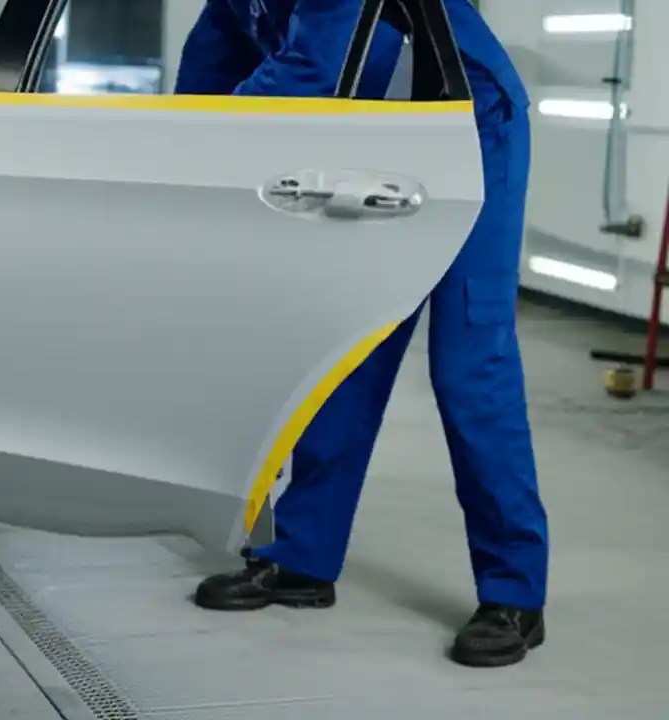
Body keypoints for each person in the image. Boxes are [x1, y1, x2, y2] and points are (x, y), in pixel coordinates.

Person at [179, 0, 549, 669]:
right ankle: (300, 559)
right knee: (347, 348)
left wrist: (209, 127)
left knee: (469, 364)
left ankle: (514, 594)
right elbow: (205, 79)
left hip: (468, 132)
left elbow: (311, 70)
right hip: (372, 137)